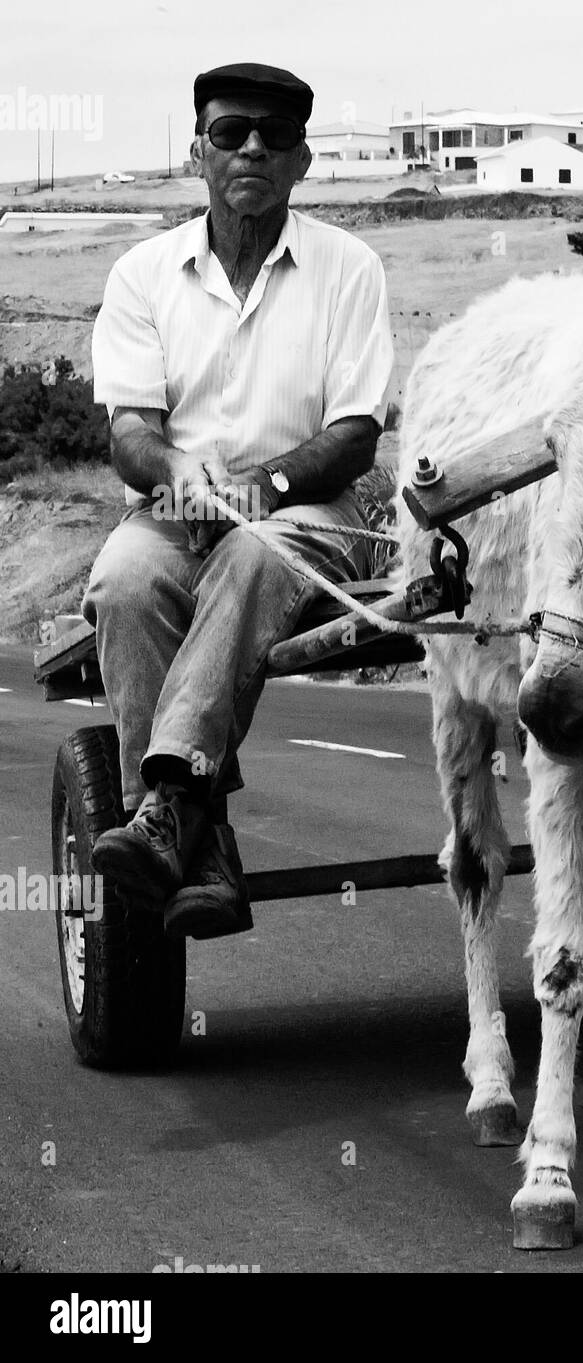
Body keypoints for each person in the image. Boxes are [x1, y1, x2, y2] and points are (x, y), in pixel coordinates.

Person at [84, 62, 394, 939]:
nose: (252, 146)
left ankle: (169, 807)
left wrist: (267, 488)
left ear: (302, 162)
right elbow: (130, 432)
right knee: (123, 583)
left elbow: (356, 434)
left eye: (275, 135)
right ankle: (204, 837)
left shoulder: (350, 269)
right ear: (198, 153)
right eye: (230, 132)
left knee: (259, 552)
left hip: (314, 512)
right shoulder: (143, 274)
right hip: (179, 507)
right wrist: (180, 474)